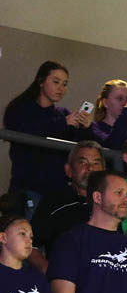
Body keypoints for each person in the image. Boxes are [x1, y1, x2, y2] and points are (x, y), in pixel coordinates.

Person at [3, 60, 93, 218]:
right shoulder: (20, 108)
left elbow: (78, 145)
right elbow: (25, 132)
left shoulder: (62, 113)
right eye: (56, 82)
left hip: (57, 190)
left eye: (65, 84)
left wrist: (86, 127)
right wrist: (62, 123)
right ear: (41, 81)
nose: (61, 88)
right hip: (28, 186)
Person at [30, 141, 105, 268]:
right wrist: (49, 273)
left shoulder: (110, 203)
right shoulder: (54, 201)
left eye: (96, 163)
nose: (90, 168)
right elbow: (31, 245)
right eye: (83, 162)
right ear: (69, 170)